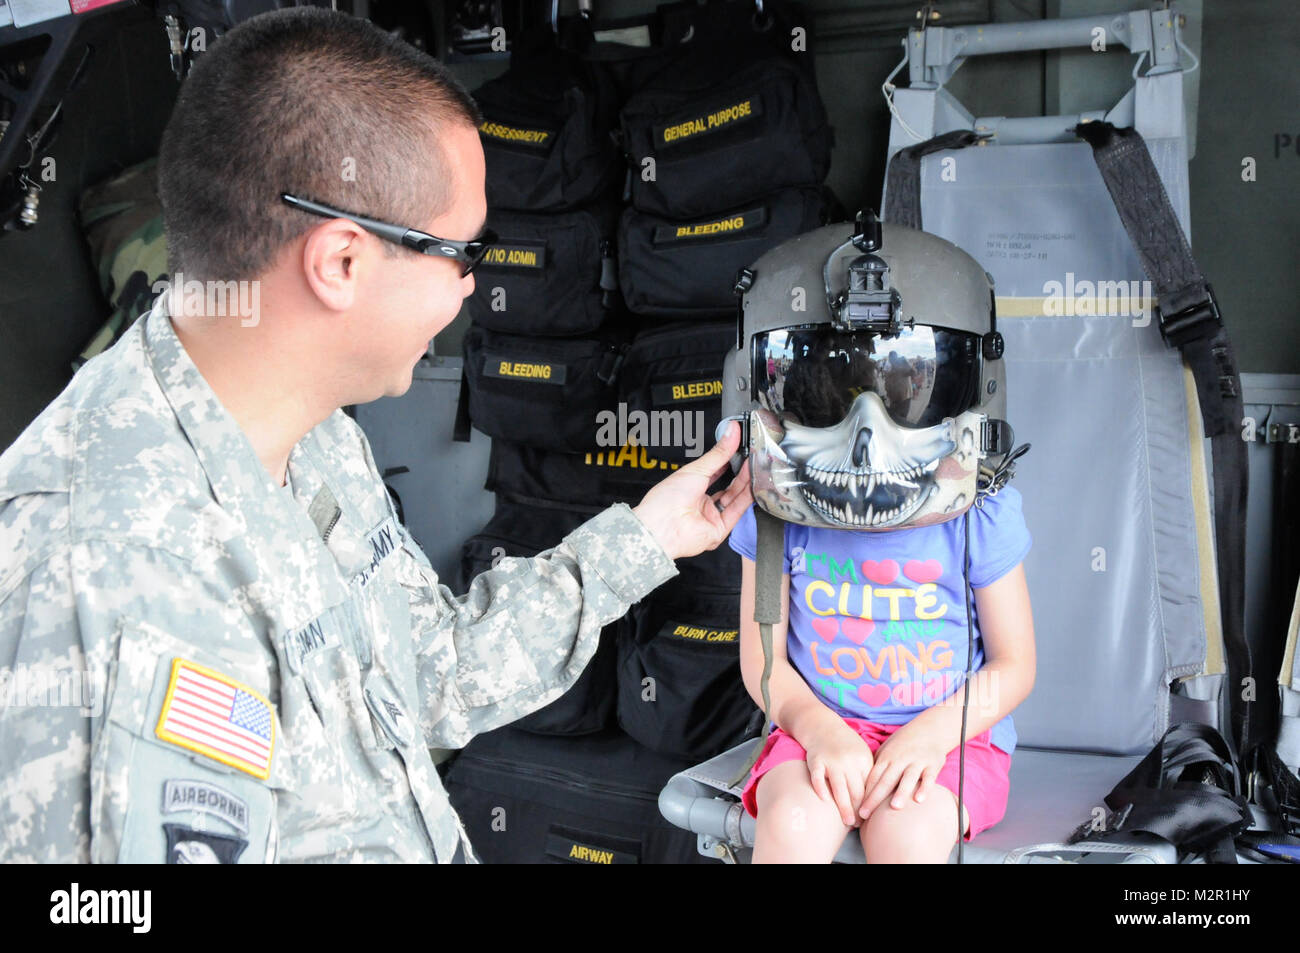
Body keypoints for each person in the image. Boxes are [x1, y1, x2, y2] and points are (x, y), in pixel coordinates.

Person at [0, 8, 750, 863]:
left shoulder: (310, 428)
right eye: (465, 251)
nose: (473, 285)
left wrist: (645, 538)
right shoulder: (104, 568)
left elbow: (427, 672)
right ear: (341, 262)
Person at [719, 213, 1036, 863]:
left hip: (951, 735)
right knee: (794, 827)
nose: (867, 438)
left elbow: (1014, 664)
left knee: (908, 835)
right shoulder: (775, 511)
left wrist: (929, 736)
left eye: (902, 399)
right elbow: (763, 660)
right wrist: (817, 729)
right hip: (819, 725)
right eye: (830, 399)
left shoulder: (978, 514)